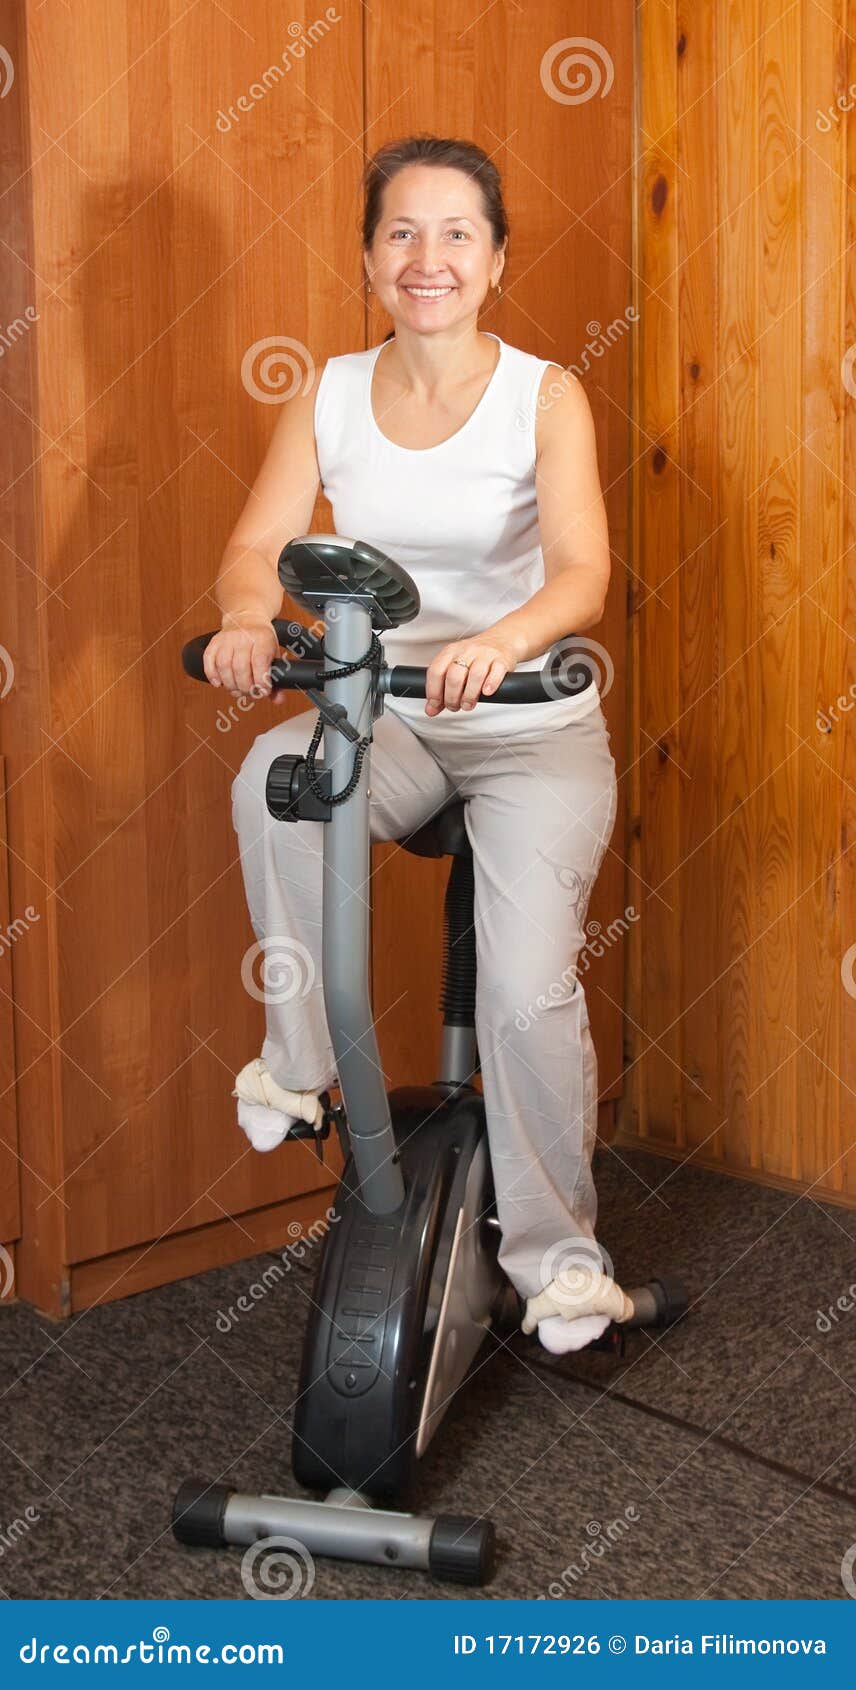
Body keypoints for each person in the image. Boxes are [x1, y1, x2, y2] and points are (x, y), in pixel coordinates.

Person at [202, 135, 630, 1355]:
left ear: (493, 259)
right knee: (270, 779)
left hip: (530, 729)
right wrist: (246, 613)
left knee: (524, 985)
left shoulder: (545, 393)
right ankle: (295, 1063)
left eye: (455, 234)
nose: (426, 257)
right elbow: (255, 548)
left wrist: (501, 638)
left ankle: (560, 1264)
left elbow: (585, 574)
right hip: (387, 716)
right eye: (401, 233)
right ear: (368, 260)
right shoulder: (329, 391)